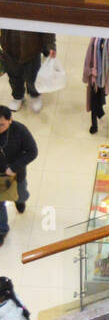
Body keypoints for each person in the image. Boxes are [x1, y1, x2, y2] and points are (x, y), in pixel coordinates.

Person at [0, 105, 37, 246]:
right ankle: (2, 230)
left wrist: (14, 167)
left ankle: (20, 200)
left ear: (10, 120)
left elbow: (33, 151)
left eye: (1, 125)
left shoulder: (20, 130)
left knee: (21, 194)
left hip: (17, 173)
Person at [1, 29, 56, 112]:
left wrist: (50, 45)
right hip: (9, 49)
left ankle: (35, 95)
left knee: (33, 77)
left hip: (32, 51)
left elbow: (47, 27)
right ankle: (18, 96)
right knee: (13, 76)